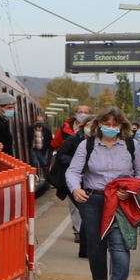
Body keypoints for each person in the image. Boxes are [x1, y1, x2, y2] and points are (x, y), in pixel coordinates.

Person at [65, 108, 140, 280]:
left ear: (122, 126)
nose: (111, 128)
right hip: (93, 200)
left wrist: (130, 189)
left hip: (121, 201)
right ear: (99, 124)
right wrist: (76, 189)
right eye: (107, 124)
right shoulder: (87, 145)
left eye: (115, 125)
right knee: (96, 244)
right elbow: (73, 171)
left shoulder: (132, 145)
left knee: (119, 243)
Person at [51, 104, 93, 244]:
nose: (82, 114)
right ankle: (78, 231)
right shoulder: (69, 134)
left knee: (87, 206)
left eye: (85, 112)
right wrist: (75, 162)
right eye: (80, 112)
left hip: (90, 178)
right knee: (75, 205)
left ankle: (86, 231)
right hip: (71, 175)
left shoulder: (99, 140)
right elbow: (58, 150)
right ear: (75, 114)